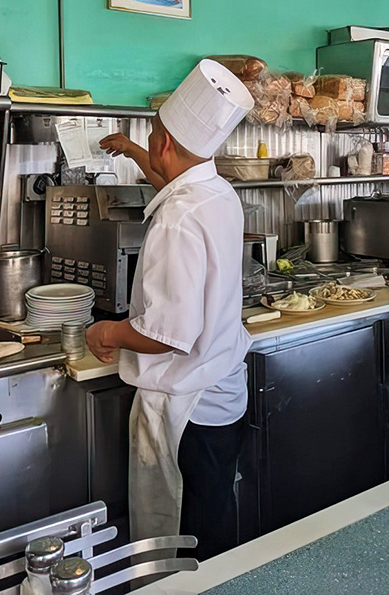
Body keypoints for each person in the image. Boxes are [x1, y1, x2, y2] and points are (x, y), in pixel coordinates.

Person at [86, 59, 254, 560]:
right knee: (213, 517)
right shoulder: (217, 192)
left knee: (186, 539)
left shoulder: (177, 220)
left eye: (152, 139)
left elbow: (166, 334)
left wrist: (107, 333)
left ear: (164, 144)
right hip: (222, 393)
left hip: (188, 408)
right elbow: (174, 182)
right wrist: (134, 149)